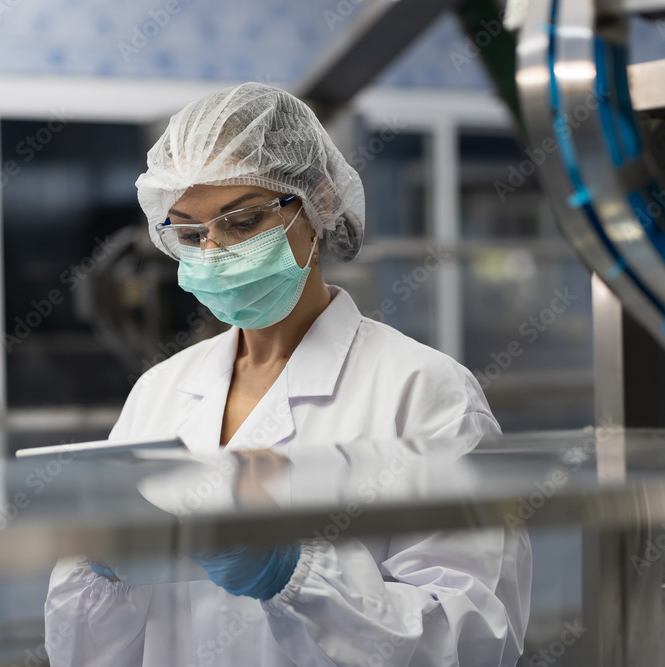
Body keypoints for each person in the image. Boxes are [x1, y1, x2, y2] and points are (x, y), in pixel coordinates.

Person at [44, 82, 531, 666]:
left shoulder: (423, 391)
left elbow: (474, 638)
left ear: (317, 204)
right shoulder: (161, 390)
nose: (215, 253)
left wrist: (295, 573)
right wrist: (100, 569)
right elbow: (85, 654)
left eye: (243, 221)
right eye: (192, 234)